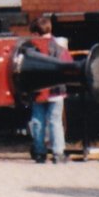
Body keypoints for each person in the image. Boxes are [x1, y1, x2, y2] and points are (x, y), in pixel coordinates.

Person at [28, 15, 68, 164]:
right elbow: (67, 64)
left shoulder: (33, 48)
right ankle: (58, 153)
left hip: (38, 90)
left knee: (38, 120)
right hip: (57, 91)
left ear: (36, 34)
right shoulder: (59, 48)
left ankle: (39, 153)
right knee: (55, 121)